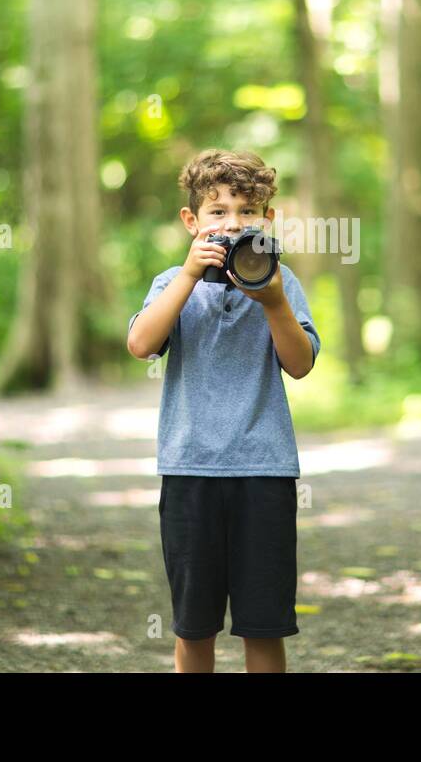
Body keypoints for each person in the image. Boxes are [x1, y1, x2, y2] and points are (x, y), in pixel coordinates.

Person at [126, 148, 321, 672]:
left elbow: (299, 365)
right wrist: (188, 276)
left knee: (264, 624)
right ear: (191, 221)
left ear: (268, 220)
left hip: (264, 471)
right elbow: (142, 344)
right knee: (195, 625)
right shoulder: (172, 283)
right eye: (218, 212)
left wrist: (274, 300)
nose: (233, 224)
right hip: (190, 471)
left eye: (247, 211)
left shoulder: (283, 281)